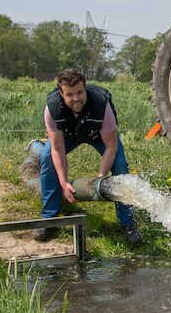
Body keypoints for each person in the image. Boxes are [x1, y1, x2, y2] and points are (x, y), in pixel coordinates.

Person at [34, 68, 141, 244]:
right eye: (70, 94)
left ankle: (127, 223)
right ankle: (49, 218)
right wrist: (64, 183)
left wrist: (99, 179)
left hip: (98, 135)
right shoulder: (52, 108)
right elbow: (57, 150)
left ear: (85, 88)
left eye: (80, 92)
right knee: (47, 158)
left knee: (121, 167)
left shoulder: (101, 103)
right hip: (68, 135)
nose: (76, 98)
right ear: (61, 94)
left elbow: (111, 146)